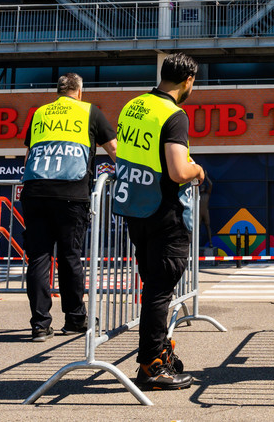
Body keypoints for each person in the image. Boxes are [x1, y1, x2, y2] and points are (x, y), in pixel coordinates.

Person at [112, 53, 206, 391]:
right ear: (187, 81)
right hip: (166, 213)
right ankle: (151, 364)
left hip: (137, 209)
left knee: (152, 286)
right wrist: (198, 170)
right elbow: (178, 170)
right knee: (159, 290)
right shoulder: (174, 115)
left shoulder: (132, 106)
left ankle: (158, 352)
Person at [20, 72, 117, 342]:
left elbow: (29, 155)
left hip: (35, 191)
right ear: (80, 91)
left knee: (39, 258)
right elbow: (114, 149)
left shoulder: (40, 113)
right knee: (69, 257)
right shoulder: (90, 112)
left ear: (59, 91)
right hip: (71, 193)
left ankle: (40, 325)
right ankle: (75, 319)